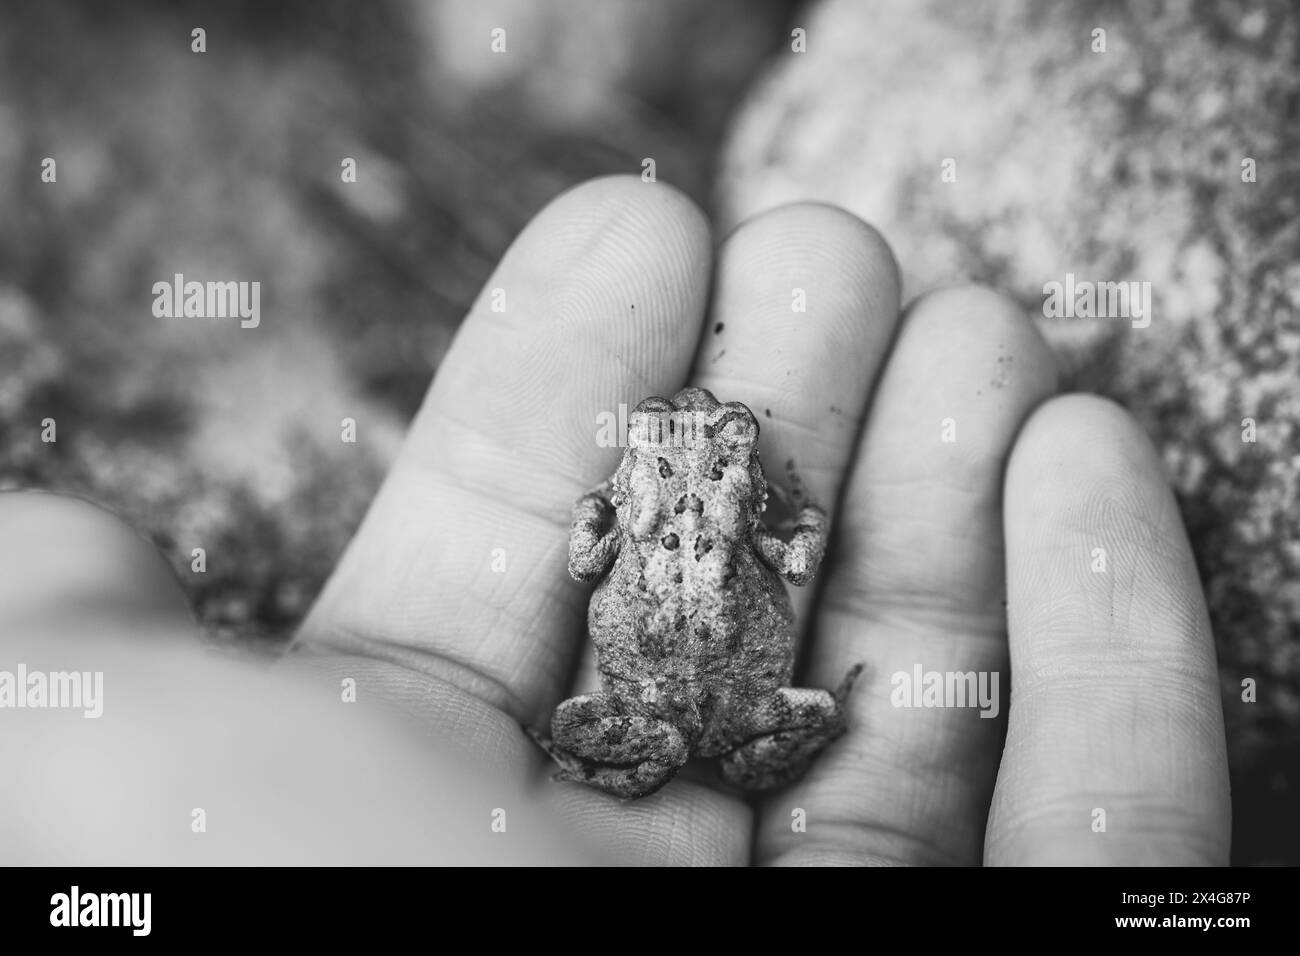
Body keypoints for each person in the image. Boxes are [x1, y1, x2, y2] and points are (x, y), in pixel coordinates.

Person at [0, 176, 1230, 865]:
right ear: (675, 470)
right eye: (667, 430)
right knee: (807, 702)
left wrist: (606, 522)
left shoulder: (618, 526)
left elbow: (585, 557)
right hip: (741, 699)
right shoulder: (763, 530)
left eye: (706, 435)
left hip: (638, 706)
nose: (689, 419)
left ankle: (601, 758)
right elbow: (801, 553)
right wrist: (792, 562)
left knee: (602, 722)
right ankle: (809, 723)